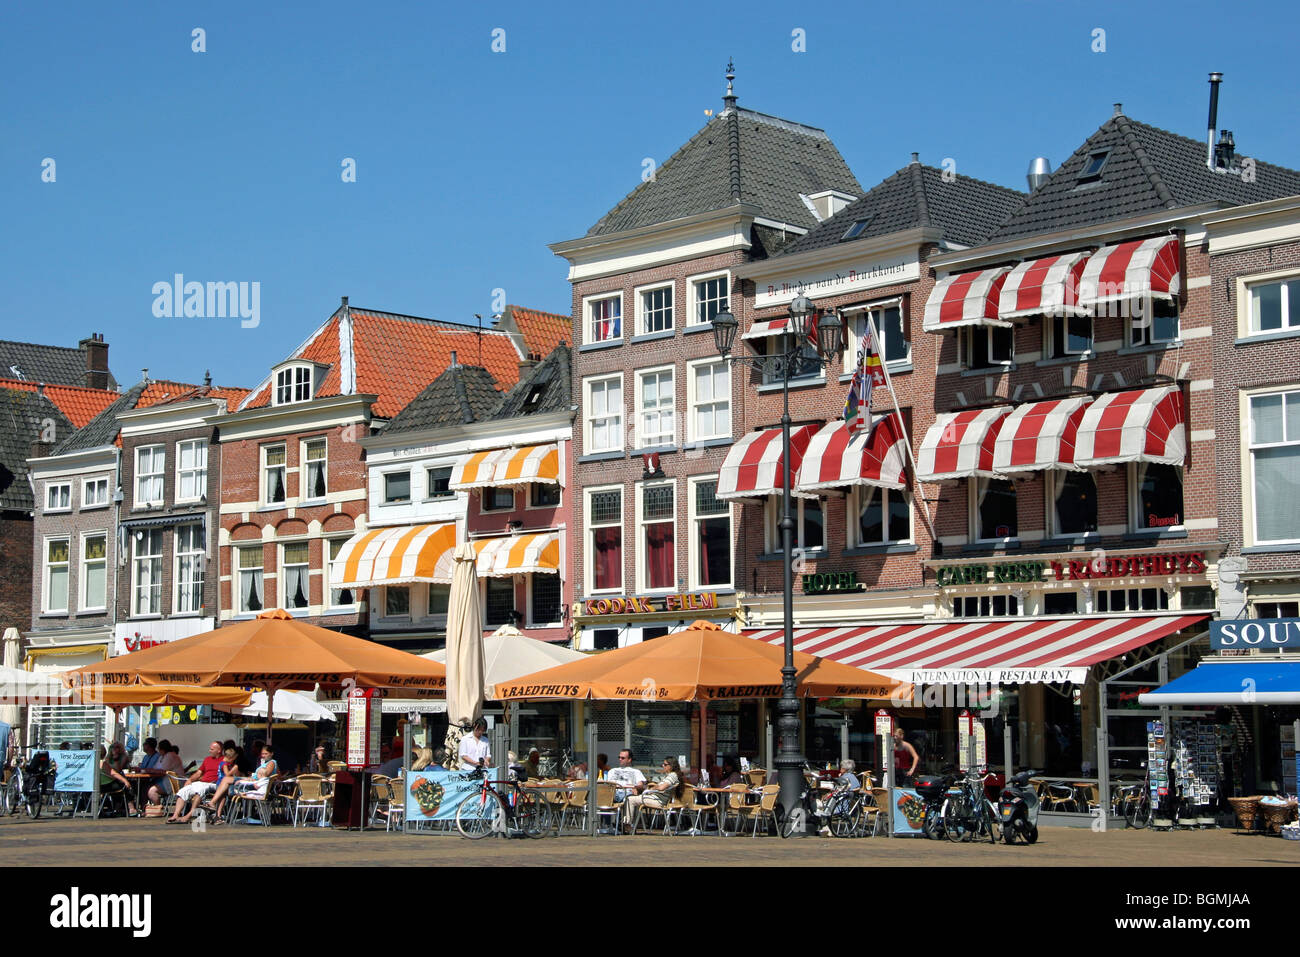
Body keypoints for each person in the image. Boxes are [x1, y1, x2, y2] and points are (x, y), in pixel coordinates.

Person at [167, 741, 224, 823]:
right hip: (202, 782)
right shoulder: (207, 759)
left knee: (200, 791)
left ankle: (188, 816)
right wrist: (190, 780)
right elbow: (199, 773)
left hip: (213, 784)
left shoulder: (224, 760)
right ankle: (176, 815)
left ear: (219, 750)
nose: (209, 751)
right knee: (183, 791)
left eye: (212, 749)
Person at [623, 757, 684, 829]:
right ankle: (632, 824)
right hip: (656, 798)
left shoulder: (672, 775)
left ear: (671, 765)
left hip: (658, 801)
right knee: (633, 798)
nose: (663, 766)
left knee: (630, 799)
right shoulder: (671, 775)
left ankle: (627, 825)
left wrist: (653, 788)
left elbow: (662, 788)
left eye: (665, 764)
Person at [816, 759, 862, 836]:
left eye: (841, 767)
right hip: (851, 807)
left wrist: (827, 795)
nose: (840, 769)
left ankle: (825, 829)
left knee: (818, 805)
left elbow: (836, 791)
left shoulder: (844, 779)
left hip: (840, 807)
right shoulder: (855, 778)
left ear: (845, 769)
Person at [98, 745, 139, 816]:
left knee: (119, 786)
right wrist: (125, 781)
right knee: (126, 786)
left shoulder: (92, 763)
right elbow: (113, 773)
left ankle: (118, 808)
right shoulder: (102, 763)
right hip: (105, 786)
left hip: (98, 786)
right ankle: (131, 808)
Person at [146, 741, 184, 806]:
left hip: (173, 782)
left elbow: (163, 770)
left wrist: (149, 770)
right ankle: (147, 809)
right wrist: (151, 770)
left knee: (152, 791)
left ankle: (157, 809)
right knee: (145, 787)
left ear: (163, 749)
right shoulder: (162, 757)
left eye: (159, 748)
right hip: (164, 780)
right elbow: (155, 768)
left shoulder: (170, 756)